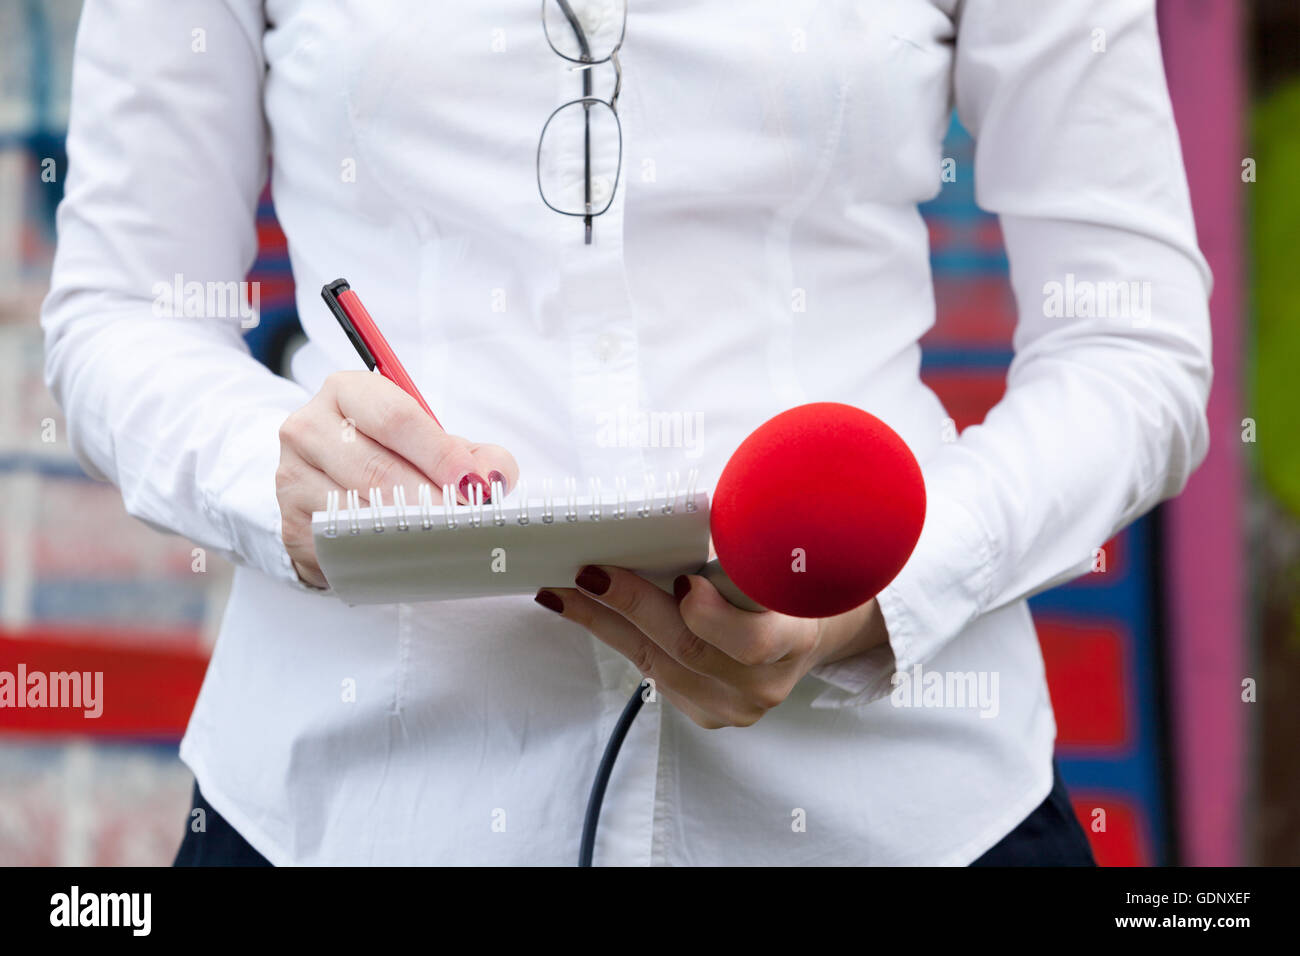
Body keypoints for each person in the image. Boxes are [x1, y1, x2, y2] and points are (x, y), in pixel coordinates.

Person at [42, 0, 1210, 865]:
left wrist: (883, 591)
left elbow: (1131, 343)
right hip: (350, 805)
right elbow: (121, 313)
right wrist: (274, 475)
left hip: (898, 813)